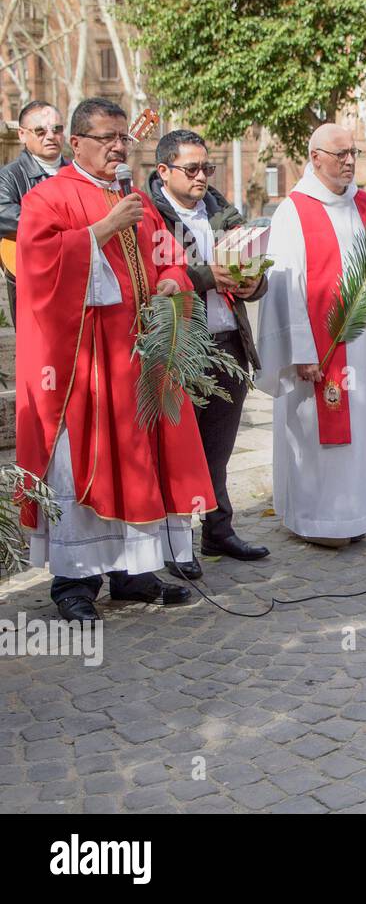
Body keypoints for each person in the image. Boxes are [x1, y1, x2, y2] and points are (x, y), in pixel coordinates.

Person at [16, 97, 213, 622]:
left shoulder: (137, 201)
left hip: (139, 359)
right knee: (80, 466)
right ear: (76, 142)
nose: (119, 147)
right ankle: (73, 583)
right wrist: (102, 228)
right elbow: (36, 270)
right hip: (83, 365)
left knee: (140, 462)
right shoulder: (48, 197)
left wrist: (172, 285)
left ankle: (132, 570)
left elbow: (169, 258)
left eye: (124, 138)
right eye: (107, 138)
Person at [255, 123, 366, 547]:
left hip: (360, 344)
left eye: (353, 153)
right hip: (319, 351)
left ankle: (356, 513)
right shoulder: (294, 211)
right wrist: (301, 351)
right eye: (339, 154)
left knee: (363, 427)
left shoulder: (365, 206)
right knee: (317, 434)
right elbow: (285, 287)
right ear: (315, 157)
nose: (349, 162)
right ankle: (319, 520)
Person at [148, 128, 270, 574]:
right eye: (192, 168)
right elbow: (154, 276)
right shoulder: (151, 215)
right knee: (180, 450)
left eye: (207, 167)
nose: (202, 176)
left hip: (230, 340)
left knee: (219, 447)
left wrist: (255, 282)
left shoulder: (221, 210)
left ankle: (218, 530)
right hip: (181, 343)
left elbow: (256, 269)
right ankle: (173, 543)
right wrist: (205, 277)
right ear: (164, 171)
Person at [0, 100, 69, 322]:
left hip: (73, 269)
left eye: (57, 129)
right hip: (30, 271)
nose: (50, 136)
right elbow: (3, 213)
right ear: (22, 134)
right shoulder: (8, 176)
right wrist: (56, 222)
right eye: (40, 131)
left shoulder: (77, 173)